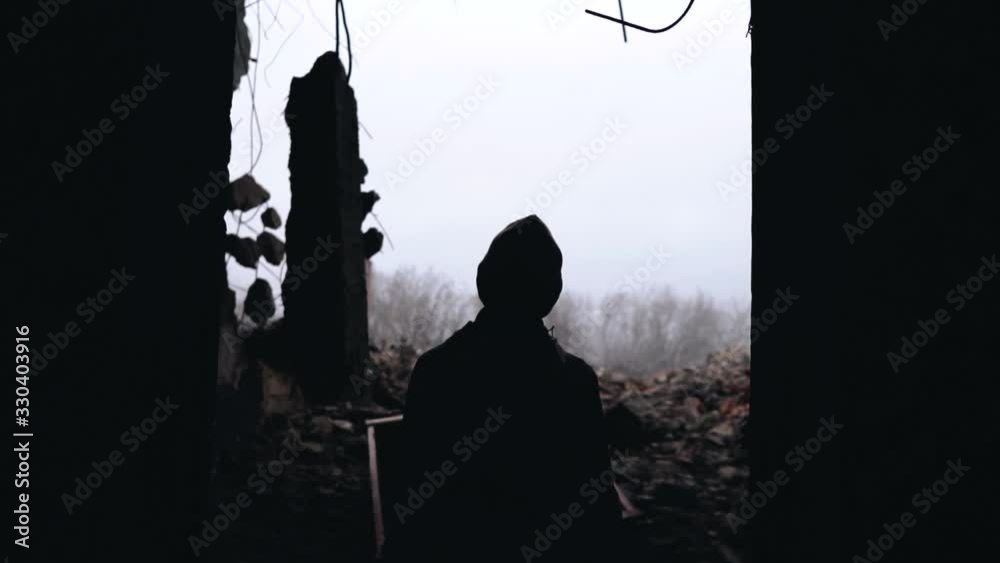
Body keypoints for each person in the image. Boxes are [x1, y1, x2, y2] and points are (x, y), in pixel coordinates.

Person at [381, 215, 621, 563]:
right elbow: (598, 512)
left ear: (484, 282)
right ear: (550, 293)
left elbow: (407, 500)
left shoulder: (436, 370)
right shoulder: (574, 381)